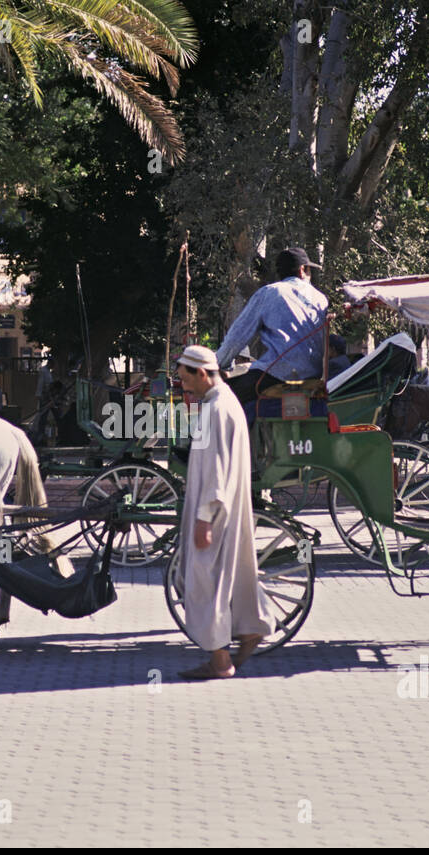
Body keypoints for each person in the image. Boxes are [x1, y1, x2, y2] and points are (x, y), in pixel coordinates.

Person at [173, 345, 269, 680]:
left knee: (203, 583)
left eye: (186, 380)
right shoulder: (226, 403)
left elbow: (215, 471)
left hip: (214, 513)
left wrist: (204, 518)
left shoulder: (215, 410)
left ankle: (220, 661)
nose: (185, 387)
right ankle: (249, 629)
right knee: (226, 577)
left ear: (202, 373)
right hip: (224, 509)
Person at [216, 247, 329, 409]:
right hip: (314, 377)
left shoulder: (269, 293)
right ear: (302, 270)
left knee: (222, 396)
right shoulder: (321, 299)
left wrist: (218, 364)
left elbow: (237, 337)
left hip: (277, 376)